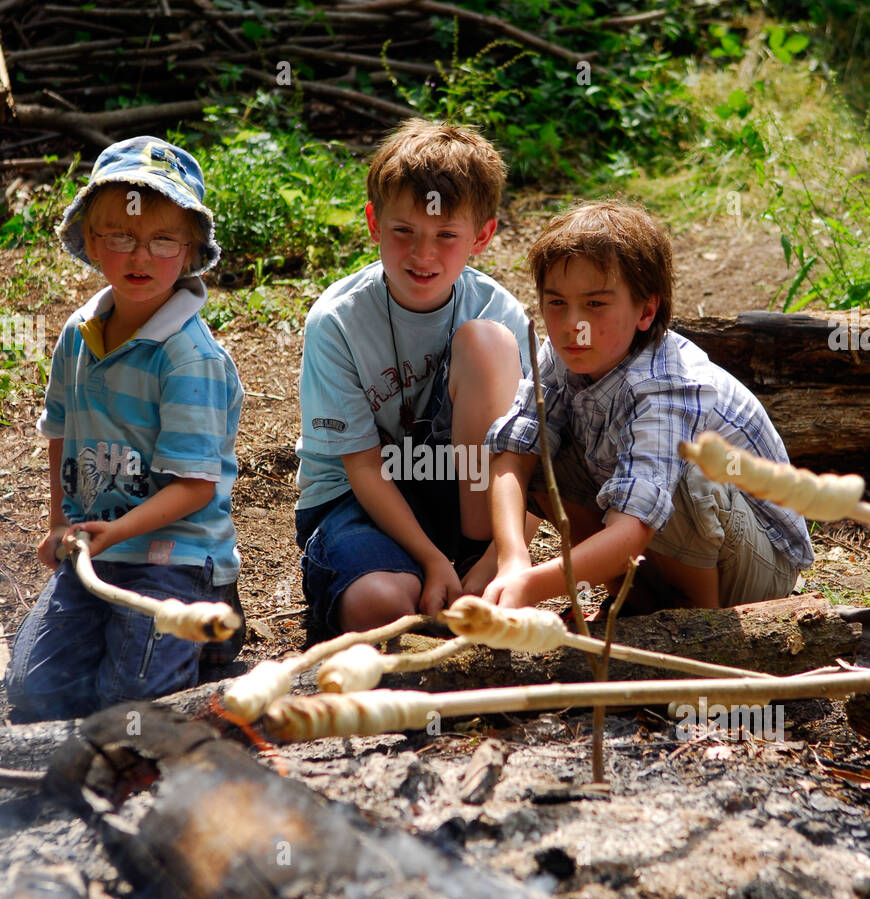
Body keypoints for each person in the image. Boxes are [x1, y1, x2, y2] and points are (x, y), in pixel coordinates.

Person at [6, 136, 244, 722]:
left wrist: (115, 534)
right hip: (96, 550)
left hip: (174, 555)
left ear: (190, 252)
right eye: (120, 236)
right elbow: (60, 431)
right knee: (35, 693)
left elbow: (194, 487)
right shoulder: (77, 334)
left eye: (163, 239)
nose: (141, 255)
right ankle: (128, 637)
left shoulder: (189, 359)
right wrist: (61, 525)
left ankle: (211, 630)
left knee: (131, 703)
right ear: (90, 242)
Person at [483, 200, 814, 613]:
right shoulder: (560, 355)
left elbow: (635, 526)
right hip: (673, 541)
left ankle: (695, 617)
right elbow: (512, 453)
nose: (572, 325)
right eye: (556, 303)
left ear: (646, 309)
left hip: (757, 567)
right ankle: (636, 593)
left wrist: (532, 586)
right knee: (536, 447)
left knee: (687, 472)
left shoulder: (666, 385)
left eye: (595, 304)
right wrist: (513, 560)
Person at [295, 117, 536, 633]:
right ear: (374, 223)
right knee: (382, 603)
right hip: (356, 498)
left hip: (457, 496)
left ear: (482, 235)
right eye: (404, 231)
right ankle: (421, 573)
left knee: (488, 342)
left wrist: (498, 560)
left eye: (446, 235)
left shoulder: (500, 309)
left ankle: (470, 561)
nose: (423, 255)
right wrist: (430, 560)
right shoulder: (337, 320)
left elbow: (533, 452)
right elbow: (361, 466)